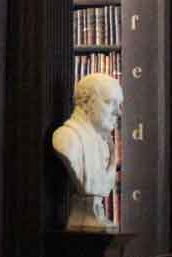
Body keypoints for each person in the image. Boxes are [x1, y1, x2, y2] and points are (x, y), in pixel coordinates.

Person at [52, 72, 123, 231]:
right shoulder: (67, 139)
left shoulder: (105, 143)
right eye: (110, 102)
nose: (118, 112)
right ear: (85, 102)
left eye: (119, 105)